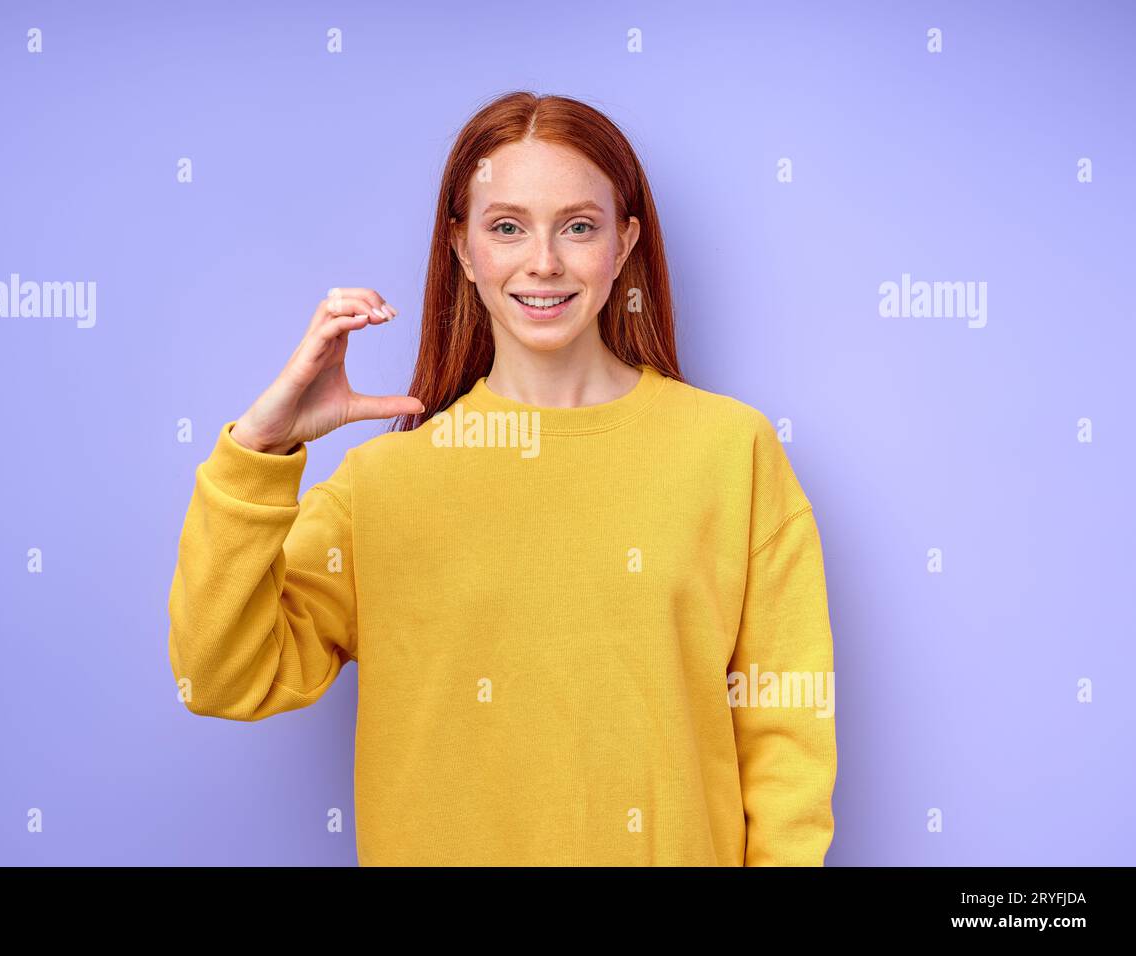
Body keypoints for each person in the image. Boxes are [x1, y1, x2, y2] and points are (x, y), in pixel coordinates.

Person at [168, 90, 837, 866]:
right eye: (507, 227)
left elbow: (787, 743)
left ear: (624, 244)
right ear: (462, 247)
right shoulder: (383, 486)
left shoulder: (732, 451)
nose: (543, 262)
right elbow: (218, 678)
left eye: (578, 227)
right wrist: (260, 450)